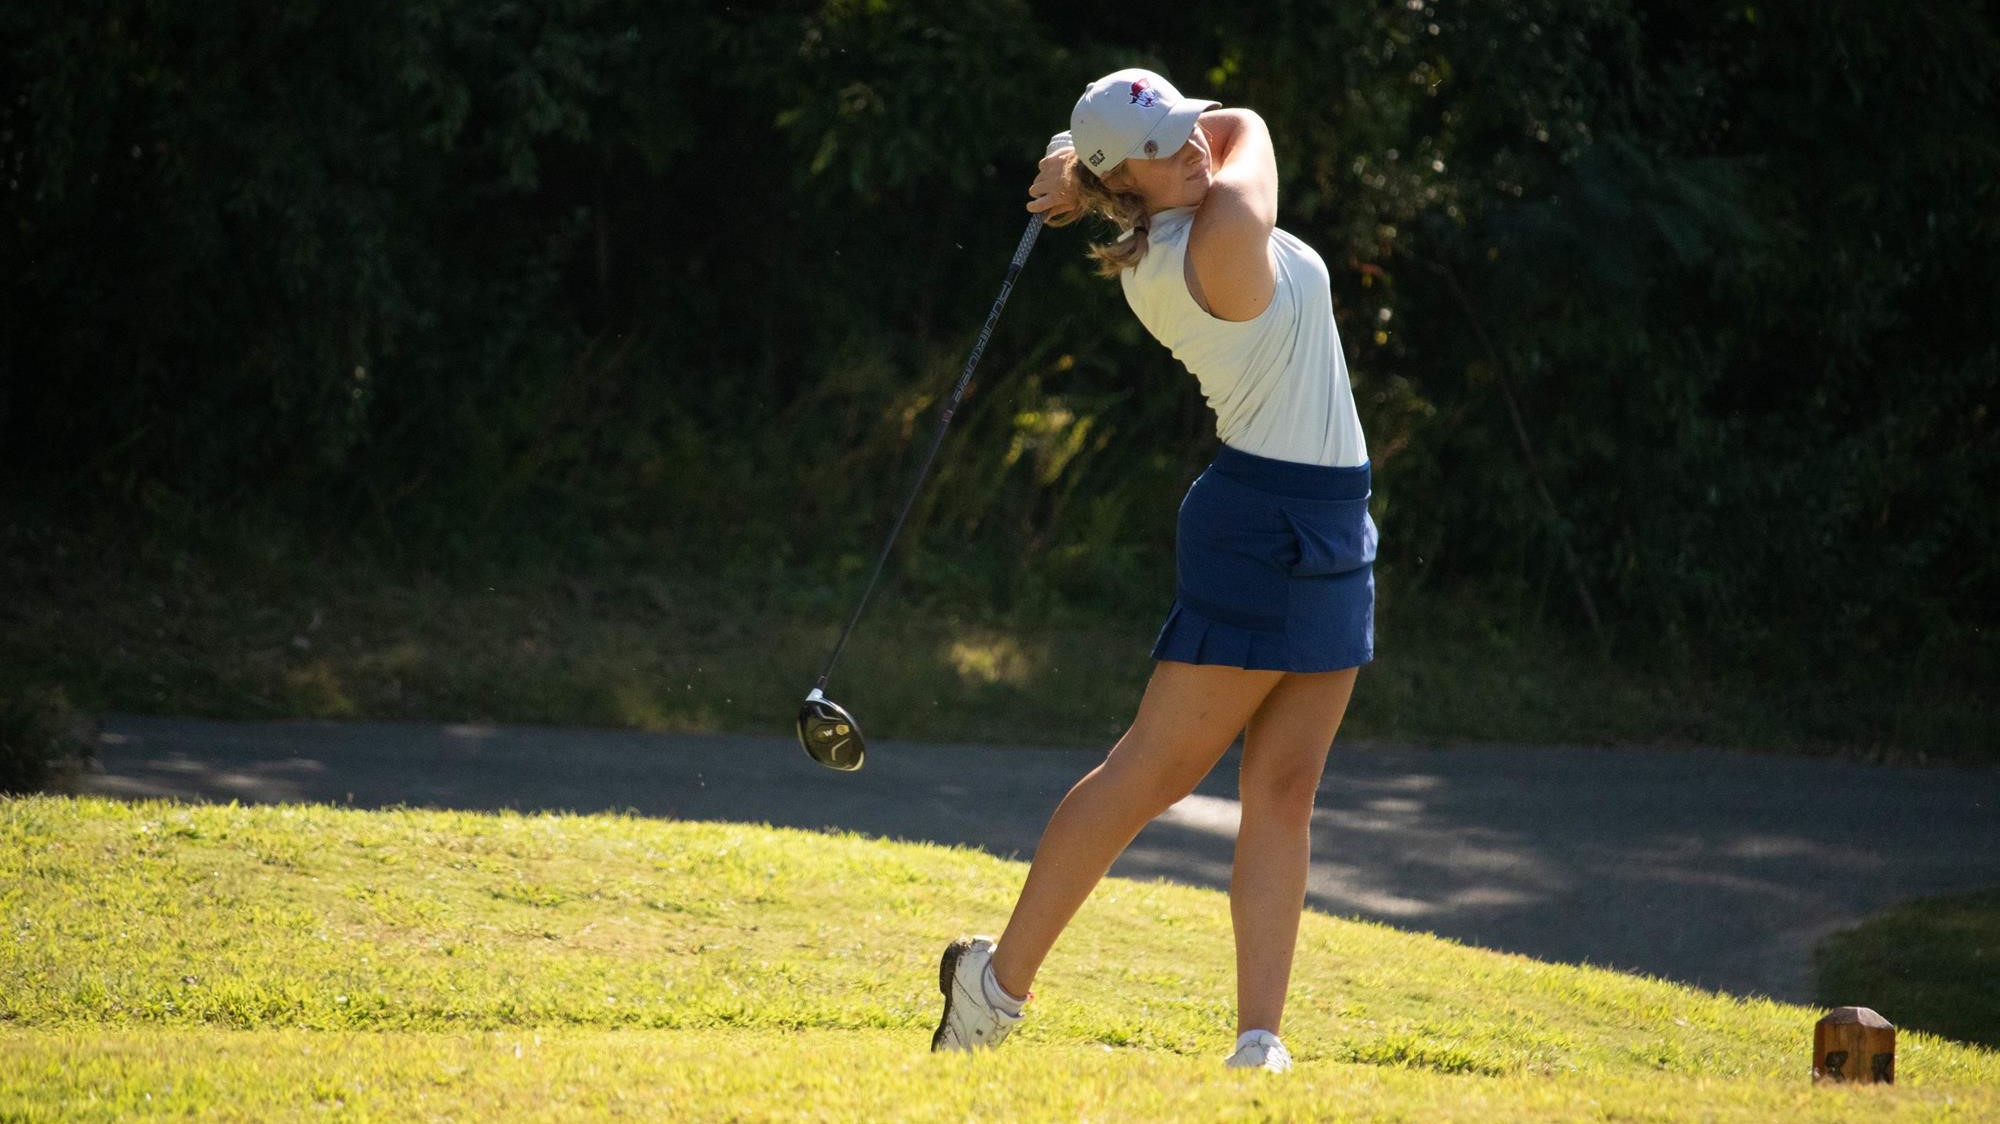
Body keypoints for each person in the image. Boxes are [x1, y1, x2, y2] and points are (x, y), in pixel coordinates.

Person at [930, 68, 1377, 1073]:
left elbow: (1208, 137)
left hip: (1332, 520)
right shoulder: (1212, 245)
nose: (1188, 146)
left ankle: (1258, 1040)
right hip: (1262, 524)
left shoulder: (1175, 217)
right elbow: (1250, 122)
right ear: (1125, 181)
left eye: (1182, 126)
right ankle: (993, 990)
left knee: (1286, 787)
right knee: (1152, 772)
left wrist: (1091, 176)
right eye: (1160, 145)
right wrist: (1083, 178)